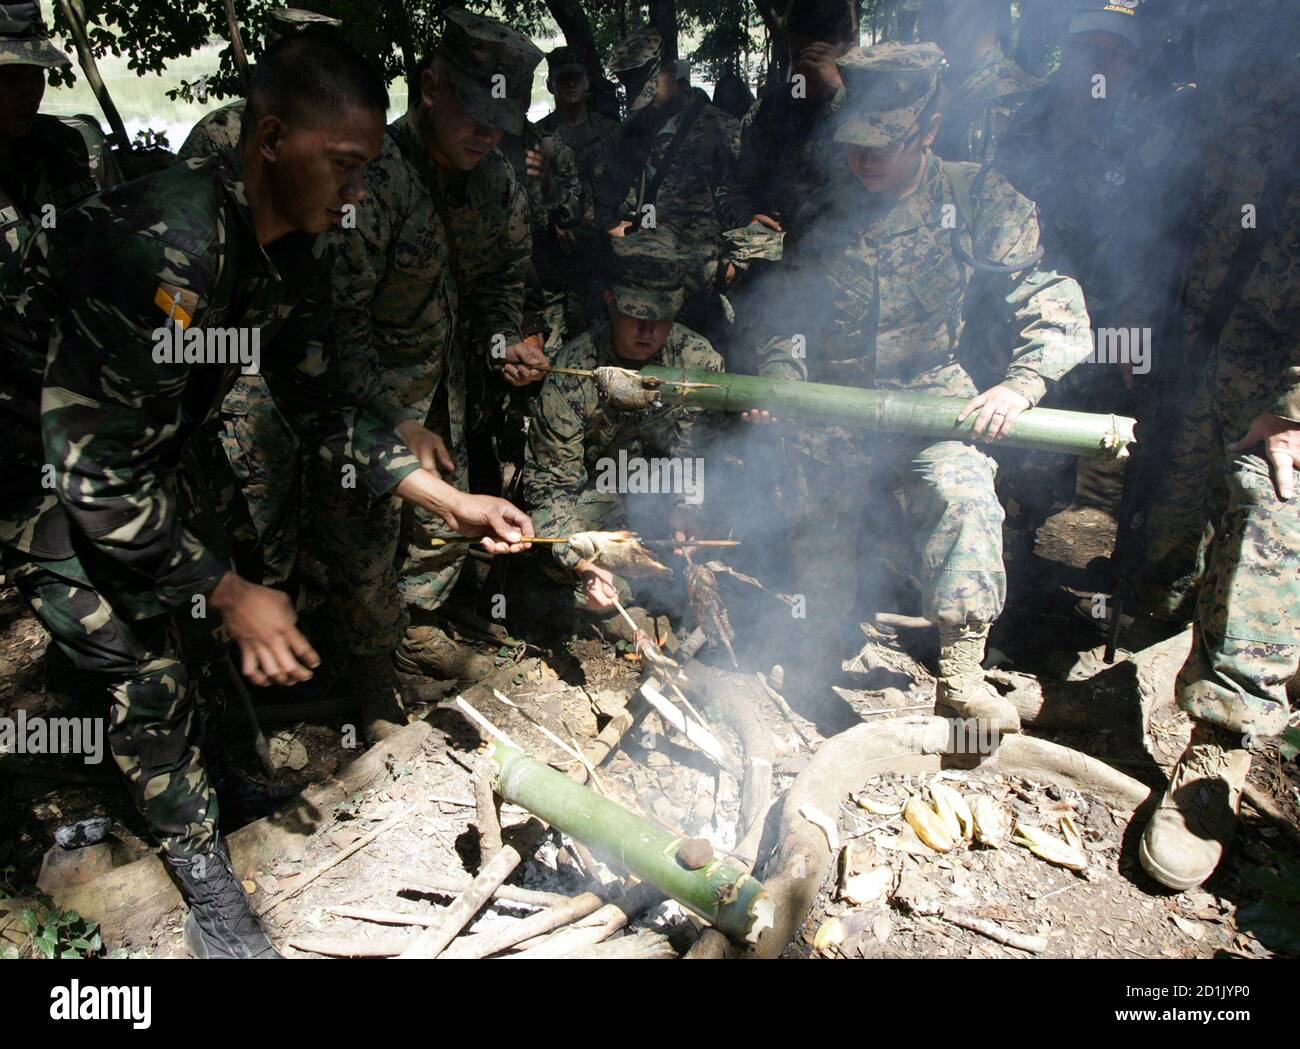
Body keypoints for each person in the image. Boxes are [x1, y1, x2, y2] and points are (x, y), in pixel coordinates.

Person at [0, 32, 531, 958]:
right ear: (273, 138)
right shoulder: (175, 247)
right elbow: (93, 472)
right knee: (142, 659)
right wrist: (227, 590)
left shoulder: (298, 247)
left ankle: (229, 782)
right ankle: (207, 890)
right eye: (345, 165)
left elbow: (322, 399)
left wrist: (452, 503)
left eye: (368, 168)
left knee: (205, 608)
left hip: (135, 436)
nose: (358, 192)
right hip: (35, 452)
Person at [746, 43, 1093, 733]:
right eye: (856, 144)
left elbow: (1051, 299)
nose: (864, 160)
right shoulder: (823, 207)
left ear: (929, 129)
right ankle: (817, 647)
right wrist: (782, 379)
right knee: (817, 512)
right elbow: (789, 316)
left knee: (964, 495)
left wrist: (1021, 385)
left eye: (884, 145)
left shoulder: (978, 198)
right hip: (836, 397)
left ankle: (961, 674)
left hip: (935, 397)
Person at [302, 8, 544, 693]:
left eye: (501, 121)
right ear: (431, 87)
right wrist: (390, 411)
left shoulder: (497, 182)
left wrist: (504, 342)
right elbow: (337, 317)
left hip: (451, 386)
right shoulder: (371, 177)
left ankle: (417, 629)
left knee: (443, 519)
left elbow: (503, 278)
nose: (487, 133)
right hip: (368, 391)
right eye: (475, 114)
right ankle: (364, 667)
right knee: (364, 525)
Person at [1134, 11, 1300, 892]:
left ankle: (1221, 742)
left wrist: (1295, 409)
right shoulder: (1243, 78)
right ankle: (1144, 644)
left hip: (1288, 375)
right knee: (1169, 517)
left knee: (1269, 504)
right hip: (1211, 341)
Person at [176, 7, 346, 590]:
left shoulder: (338, 144)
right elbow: (185, 287)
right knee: (252, 504)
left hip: (288, 337)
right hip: (228, 367)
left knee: (295, 496)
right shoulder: (223, 134)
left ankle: (280, 609)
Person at [520, 229, 721, 615]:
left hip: (659, 492)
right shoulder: (574, 370)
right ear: (611, 303)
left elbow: (696, 454)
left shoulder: (697, 364)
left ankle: (659, 586)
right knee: (558, 546)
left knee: (731, 508)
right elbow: (551, 488)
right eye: (636, 315)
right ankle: (613, 594)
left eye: (660, 317)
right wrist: (585, 567)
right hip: (597, 496)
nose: (647, 331)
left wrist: (687, 507)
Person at [596, 28, 740, 345]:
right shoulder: (630, 134)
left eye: (649, 88)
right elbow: (604, 201)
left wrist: (736, 263)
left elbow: (751, 202)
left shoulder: (720, 128)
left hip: (701, 290)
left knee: (707, 370)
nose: (645, 102)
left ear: (671, 73)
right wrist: (613, 228)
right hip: (641, 295)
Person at [0, 0, 119, 286]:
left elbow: (122, 251)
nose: (29, 93)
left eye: (37, 74)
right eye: (10, 78)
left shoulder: (79, 145)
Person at [536, 45, 620, 340]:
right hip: (554, 265)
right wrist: (553, 220)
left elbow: (628, 190)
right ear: (550, 85)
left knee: (604, 345)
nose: (570, 84)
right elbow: (523, 196)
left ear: (587, 83)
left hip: (603, 259)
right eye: (563, 79)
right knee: (552, 350)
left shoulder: (611, 133)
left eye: (576, 78)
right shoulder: (536, 137)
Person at [916, 0, 1042, 165]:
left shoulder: (1016, 95)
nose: (926, 19)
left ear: (985, 9)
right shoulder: (939, 84)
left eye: (942, 6)